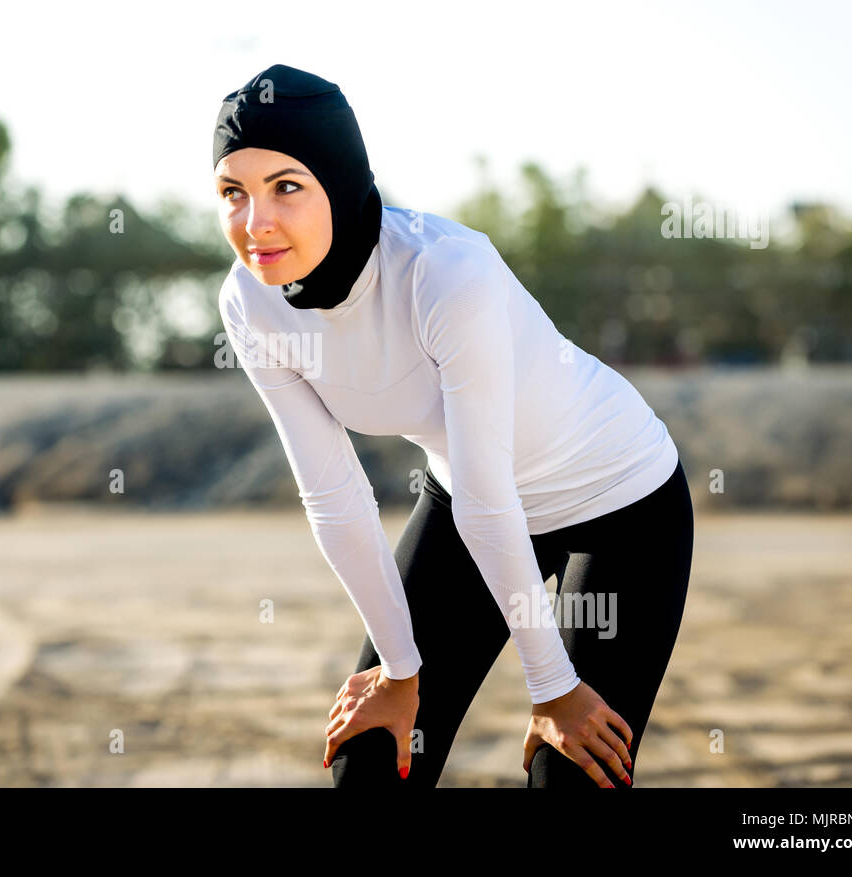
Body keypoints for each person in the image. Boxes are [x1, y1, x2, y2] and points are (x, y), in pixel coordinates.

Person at [212, 64, 693, 788]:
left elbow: (487, 493)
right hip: (470, 507)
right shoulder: (251, 304)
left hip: (619, 503)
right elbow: (334, 497)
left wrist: (554, 687)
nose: (256, 223)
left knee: (570, 775)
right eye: (232, 192)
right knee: (370, 764)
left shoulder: (444, 272)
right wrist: (399, 669)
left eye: (286, 185)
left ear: (339, 180)